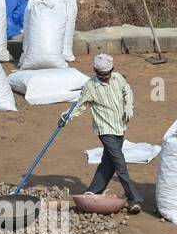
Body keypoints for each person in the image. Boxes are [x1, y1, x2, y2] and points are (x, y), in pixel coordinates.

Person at [58, 53, 142, 214]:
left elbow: (127, 91)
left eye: (106, 74)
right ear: (95, 71)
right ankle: (134, 199)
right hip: (105, 130)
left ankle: (93, 192)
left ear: (112, 70)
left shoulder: (118, 78)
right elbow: (80, 106)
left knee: (108, 162)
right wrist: (65, 117)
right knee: (120, 163)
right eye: (100, 74)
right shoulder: (90, 86)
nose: (104, 77)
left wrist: (128, 106)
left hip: (119, 126)